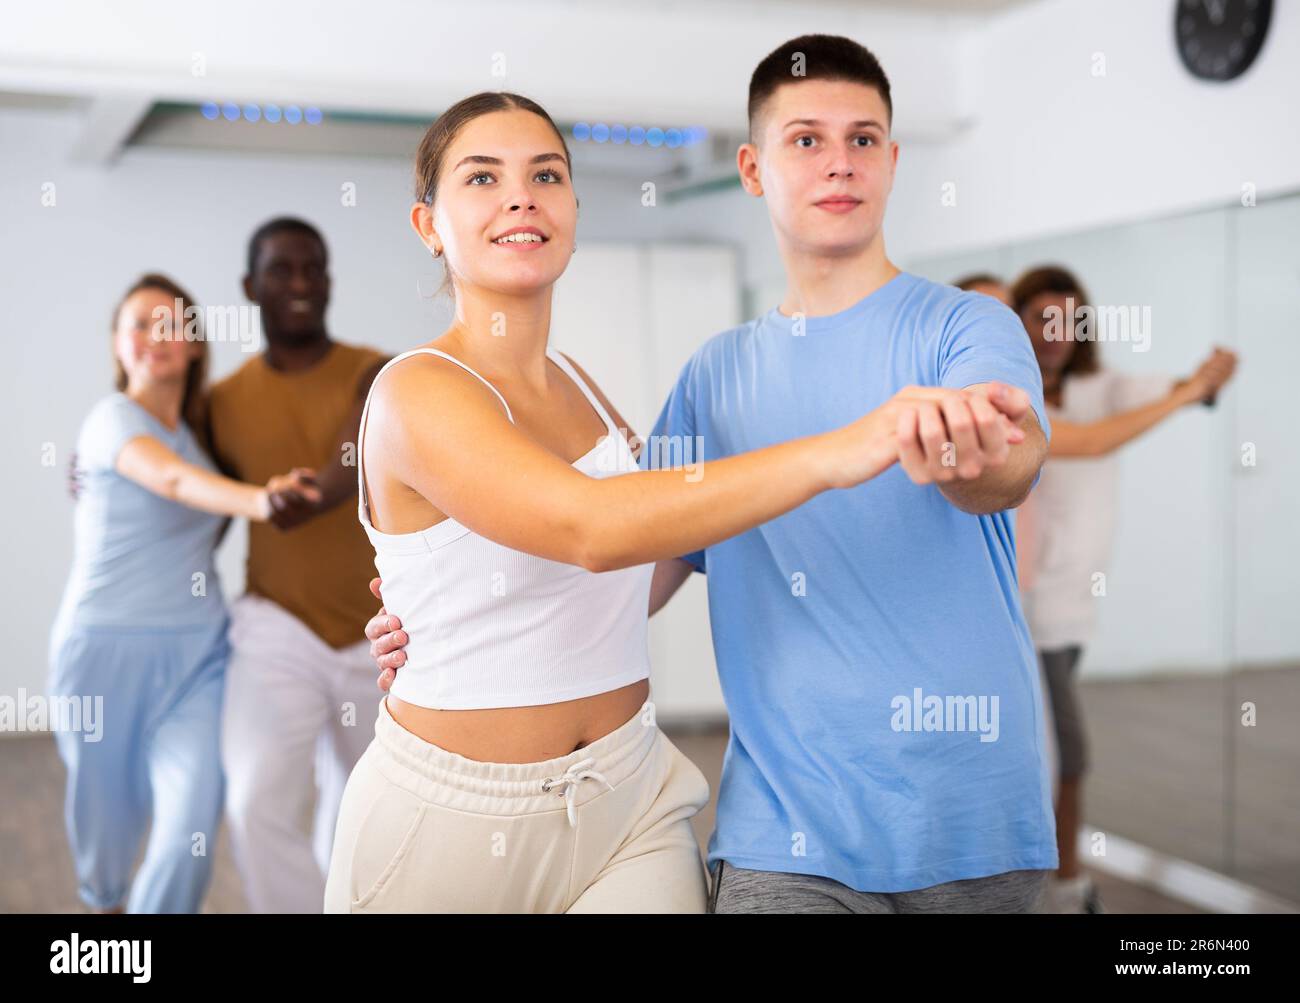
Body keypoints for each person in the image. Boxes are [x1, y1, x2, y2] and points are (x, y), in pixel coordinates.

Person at [366, 35, 1059, 914]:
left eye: (864, 139)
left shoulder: (968, 328)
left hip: (974, 823)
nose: (839, 163)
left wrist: (968, 454)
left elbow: (1008, 468)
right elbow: (624, 547)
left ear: (892, 157)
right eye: (806, 139)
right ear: (753, 167)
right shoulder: (714, 374)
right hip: (785, 834)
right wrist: (443, 608)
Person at [49, 273, 318, 914]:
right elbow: (168, 479)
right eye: (140, 324)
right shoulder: (111, 420)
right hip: (103, 654)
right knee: (106, 834)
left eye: (173, 324)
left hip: (198, 657)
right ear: (117, 344)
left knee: (190, 830)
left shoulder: (203, 436)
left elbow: (191, 472)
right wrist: (264, 500)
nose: (156, 337)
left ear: (197, 345)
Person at [1010, 264, 1238, 913]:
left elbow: (1180, 389)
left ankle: (1050, 885)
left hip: (1072, 613)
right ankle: (1060, 887)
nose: (1054, 334)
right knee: (1064, 757)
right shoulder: (1009, 398)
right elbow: (1089, 443)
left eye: (1068, 321)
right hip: (1024, 615)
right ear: (1018, 322)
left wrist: (1208, 377)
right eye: (1041, 318)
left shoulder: (1102, 386)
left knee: (1054, 758)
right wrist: (1184, 393)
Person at [208, 218, 389, 913]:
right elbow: (189, 484)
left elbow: (351, 456)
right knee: (255, 800)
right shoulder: (221, 403)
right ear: (250, 287)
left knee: (367, 814)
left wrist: (309, 491)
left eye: (314, 268)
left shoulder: (377, 370)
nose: (302, 283)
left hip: (376, 632)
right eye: (282, 270)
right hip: (276, 628)